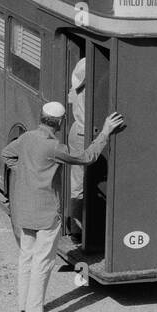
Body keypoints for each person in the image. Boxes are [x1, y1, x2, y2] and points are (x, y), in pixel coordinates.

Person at [2, 102, 124, 312]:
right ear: (59, 122)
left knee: (26, 258)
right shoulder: (54, 147)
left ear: (42, 117)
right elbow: (88, 157)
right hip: (46, 213)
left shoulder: (26, 138)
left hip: (25, 210)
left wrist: (26, 174)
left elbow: (7, 154)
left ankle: (24, 308)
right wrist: (106, 131)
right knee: (43, 262)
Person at [66, 57, 87, 238]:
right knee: (79, 182)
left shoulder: (81, 65)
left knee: (78, 181)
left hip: (78, 130)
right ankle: (77, 228)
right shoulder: (90, 66)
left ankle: (77, 226)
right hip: (83, 133)